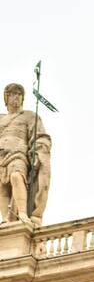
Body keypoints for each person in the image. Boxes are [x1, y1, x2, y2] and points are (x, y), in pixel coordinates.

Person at [0, 82, 51, 226]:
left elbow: (40, 135)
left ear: (23, 98)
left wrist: (39, 150)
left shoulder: (29, 116)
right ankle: (6, 219)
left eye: (18, 94)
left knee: (16, 176)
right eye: (11, 94)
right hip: (1, 154)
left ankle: (22, 213)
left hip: (18, 153)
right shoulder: (1, 118)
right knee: (2, 187)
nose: (15, 97)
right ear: (6, 98)